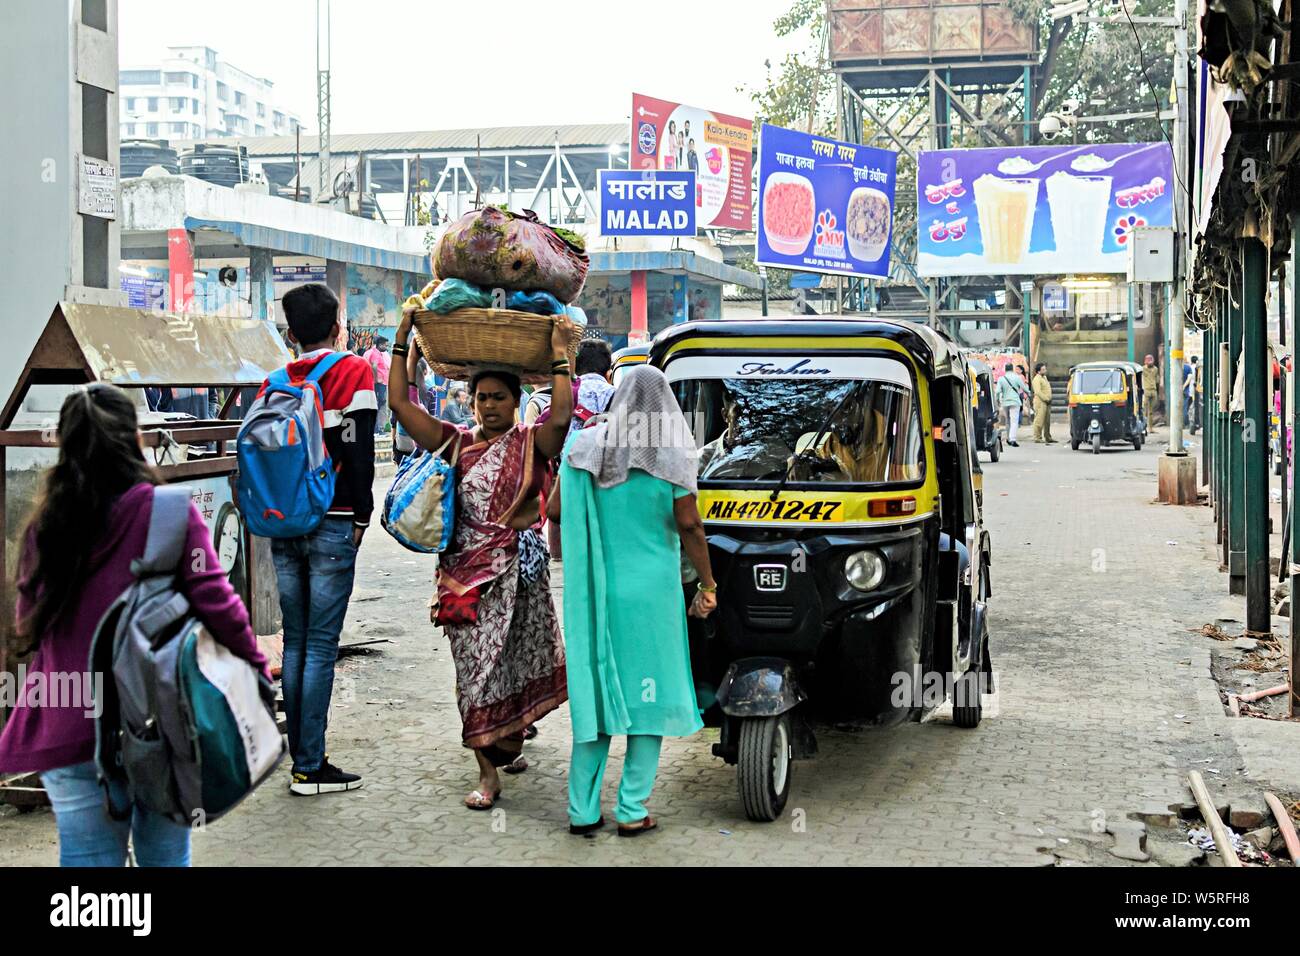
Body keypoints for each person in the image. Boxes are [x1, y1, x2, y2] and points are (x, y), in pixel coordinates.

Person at [0, 384, 267, 866]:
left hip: (69, 717)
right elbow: (219, 604)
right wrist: (254, 668)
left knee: (86, 862)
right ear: (135, 438)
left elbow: (26, 622)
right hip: (158, 721)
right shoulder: (166, 512)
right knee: (165, 857)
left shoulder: (47, 524)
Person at [388, 305, 576, 810]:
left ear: (517, 403)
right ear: (469, 402)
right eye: (480, 398)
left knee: (511, 666)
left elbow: (561, 416)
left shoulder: (532, 443)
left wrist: (559, 356)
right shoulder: (454, 443)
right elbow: (401, 406)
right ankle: (487, 773)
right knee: (474, 675)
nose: (488, 406)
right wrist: (402, 338)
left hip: (518, 576)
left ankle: (510, 740)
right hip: (463, 585)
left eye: (498, 398)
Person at [551, 365, 717, 836]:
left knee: (599, 694)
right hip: (652, 597)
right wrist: (708, 584)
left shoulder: (584, 450)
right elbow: (689, 525)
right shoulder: (673, 455)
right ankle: (630, 810)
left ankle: (582, 812)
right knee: (650, 695)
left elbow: (556, 511)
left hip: (599, 594)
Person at [259, 283, 376, 795]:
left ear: (290, 333)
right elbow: (361, 450)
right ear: (336, 328)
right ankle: (310, 765)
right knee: (321, 644)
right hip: (333, 520)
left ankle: (303, 761)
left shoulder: (273, 382)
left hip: (284, 522)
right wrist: (361, 514)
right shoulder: (354, 372)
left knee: (298, 639)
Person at [364, 336, 392, 434]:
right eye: (385, 345)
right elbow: (374, 366)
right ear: (380, 345)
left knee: (378, 405)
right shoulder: (375, 354)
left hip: (380, 383)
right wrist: (376, 379)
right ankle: (378, 429)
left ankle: (377, 428)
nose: (386, 347)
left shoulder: (375, 353)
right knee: (380, 405)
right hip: (380, 384)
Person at [995, 365, 1027, 447]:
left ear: (1005, 369)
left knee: (1007, 421)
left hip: (1005, 402)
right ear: (1012, 369)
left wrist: (997, 400)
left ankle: (1008, 439)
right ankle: (1012, 439)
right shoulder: (1017, 378)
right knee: (1014, 421)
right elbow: (1024, 387)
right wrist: (1028, 393)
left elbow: (997, 391)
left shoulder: (1001, 379)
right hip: (1015, 401)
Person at [1032, 363, 1056, 444]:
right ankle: (1037, 437)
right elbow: (1038, 392)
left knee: (1047, 421)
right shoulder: (1036, 379)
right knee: (1039, 420)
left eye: (1045, 369)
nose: (1045, 371)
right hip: (1040, 402)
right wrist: (1046, 399)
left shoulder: (1044, 378)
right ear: (1038, 371)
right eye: (1043, 369)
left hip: (1047, 402)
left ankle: (1048, 437)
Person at [1141, 354, 1161, 427]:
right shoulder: (1142, 369)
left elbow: (1157, 379)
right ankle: (1144, 427)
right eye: (1148, 361)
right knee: (1144, 411)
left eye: (1151, 361)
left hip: (1153, 390)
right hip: (1146, 390)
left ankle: (1150, 428)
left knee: (1151, 411)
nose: (1150, 363)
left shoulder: (1155, 369)